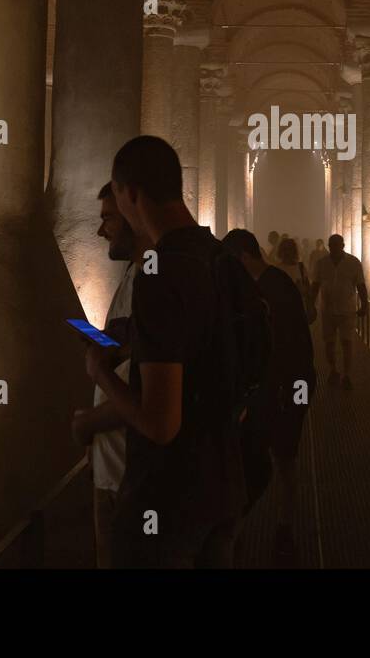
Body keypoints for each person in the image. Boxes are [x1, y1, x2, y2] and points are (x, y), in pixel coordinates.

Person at [86, 135, 247, 568]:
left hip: (166, 501)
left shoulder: (159, 274)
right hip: (225, 484)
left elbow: (160, 425)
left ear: (132, 194)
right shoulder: (223, 259)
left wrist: (100, 375)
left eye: (116, 202)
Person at [223, 229, 316, 565]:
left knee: (280, 460)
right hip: (274, 389)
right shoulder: (267, 283)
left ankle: (280, 526)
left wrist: (289, 395)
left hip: (283, 389)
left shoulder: (272, 287)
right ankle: (264, 526)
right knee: (270, 458)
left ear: (243, 258)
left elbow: (289, 347)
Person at [71, 183, 151, 568]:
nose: (101, 230)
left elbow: (152, 393)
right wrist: (102, 342)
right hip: (116, 470)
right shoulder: (136, 275)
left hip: (133, 479)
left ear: (134, 209)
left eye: (108, 218)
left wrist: (89, 421)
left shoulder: (155, 281)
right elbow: (132, 354)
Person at [312, 233, 366, 389]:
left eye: (337, 245)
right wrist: (311, 304)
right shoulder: (322, 263)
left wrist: (364, 305)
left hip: (347, 309)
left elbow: (361, 285)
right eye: (332, 245)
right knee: (329, 342)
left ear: (343, 246)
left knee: (347, 342)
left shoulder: (354, 263)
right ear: (329, 247)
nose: (334, 248)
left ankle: (347, 374)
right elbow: (315, 285)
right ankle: (333, 369)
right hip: (327, 310)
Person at [276, 237, 315, 324]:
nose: (287, 252)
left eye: (289, 249)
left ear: (294, 251)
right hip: (283, 309)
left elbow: (308, 290)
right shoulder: (277, 269)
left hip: (299, 308)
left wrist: (310, 306)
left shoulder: (300, 268)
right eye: (285, 249)